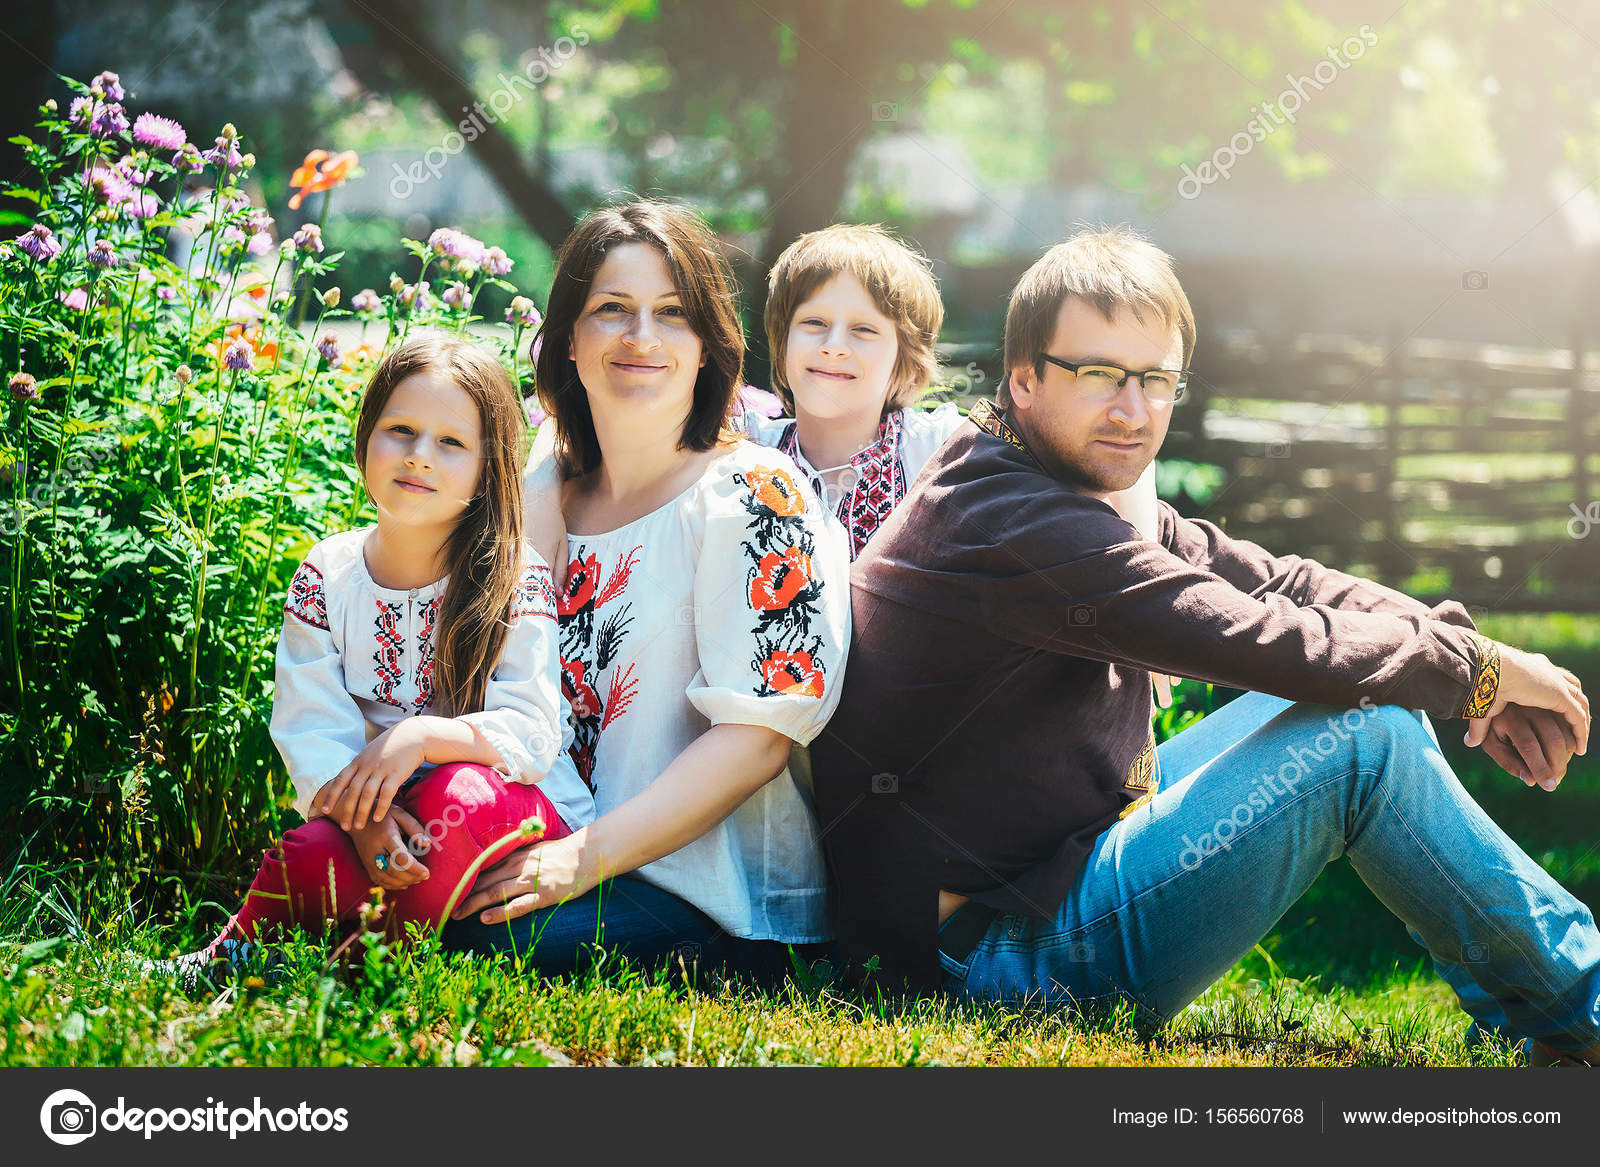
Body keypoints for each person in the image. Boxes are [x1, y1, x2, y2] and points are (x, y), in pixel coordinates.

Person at [808, 226, 1599, 1064]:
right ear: (1024, 376)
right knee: (1363, 742)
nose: (1133, 408)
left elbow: (1279, 583)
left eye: (1156, 380)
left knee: (1361, 714)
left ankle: (1553, 1006)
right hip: (983, 959)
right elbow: (1250, 633)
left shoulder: (1050, 480)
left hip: (1046, 878)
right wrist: (1471, 674)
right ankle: (1580, 1009)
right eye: (1099, 373)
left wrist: (1465, 653)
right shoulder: (1007, 518)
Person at [440, 199, 851, 984]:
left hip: (715, 901)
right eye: (612, 310)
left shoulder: (754, 495)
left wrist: (579, 861)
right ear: (568, 338)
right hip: (547, 844)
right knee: (391, 895)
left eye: (672, 314)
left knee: (467, 951)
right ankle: (250, 951)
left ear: (705, 348)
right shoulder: (541, 488)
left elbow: (760, 737)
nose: (641, 337)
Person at [149, 334, 594, 989]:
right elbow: (310, 727)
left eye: (451, 443)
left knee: (456, 794)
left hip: (514, 813)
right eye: (401, 430)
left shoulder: (513, 579)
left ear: (486, 471)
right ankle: (223, 956)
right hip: (379, 816)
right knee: (308, 851)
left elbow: (530, 733)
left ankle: (347, 973)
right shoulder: (326, 576)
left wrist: (417, 737)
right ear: (365, 438)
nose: (418, 457)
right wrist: (362, 821)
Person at [736, 222, 1160, 558]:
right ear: (782, 339)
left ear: (903, 358)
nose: (833, 346)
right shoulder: (744, 450)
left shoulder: (943, 450)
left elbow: (1095, 459)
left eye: (864, 330)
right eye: (814, 324)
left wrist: (1142, 579)